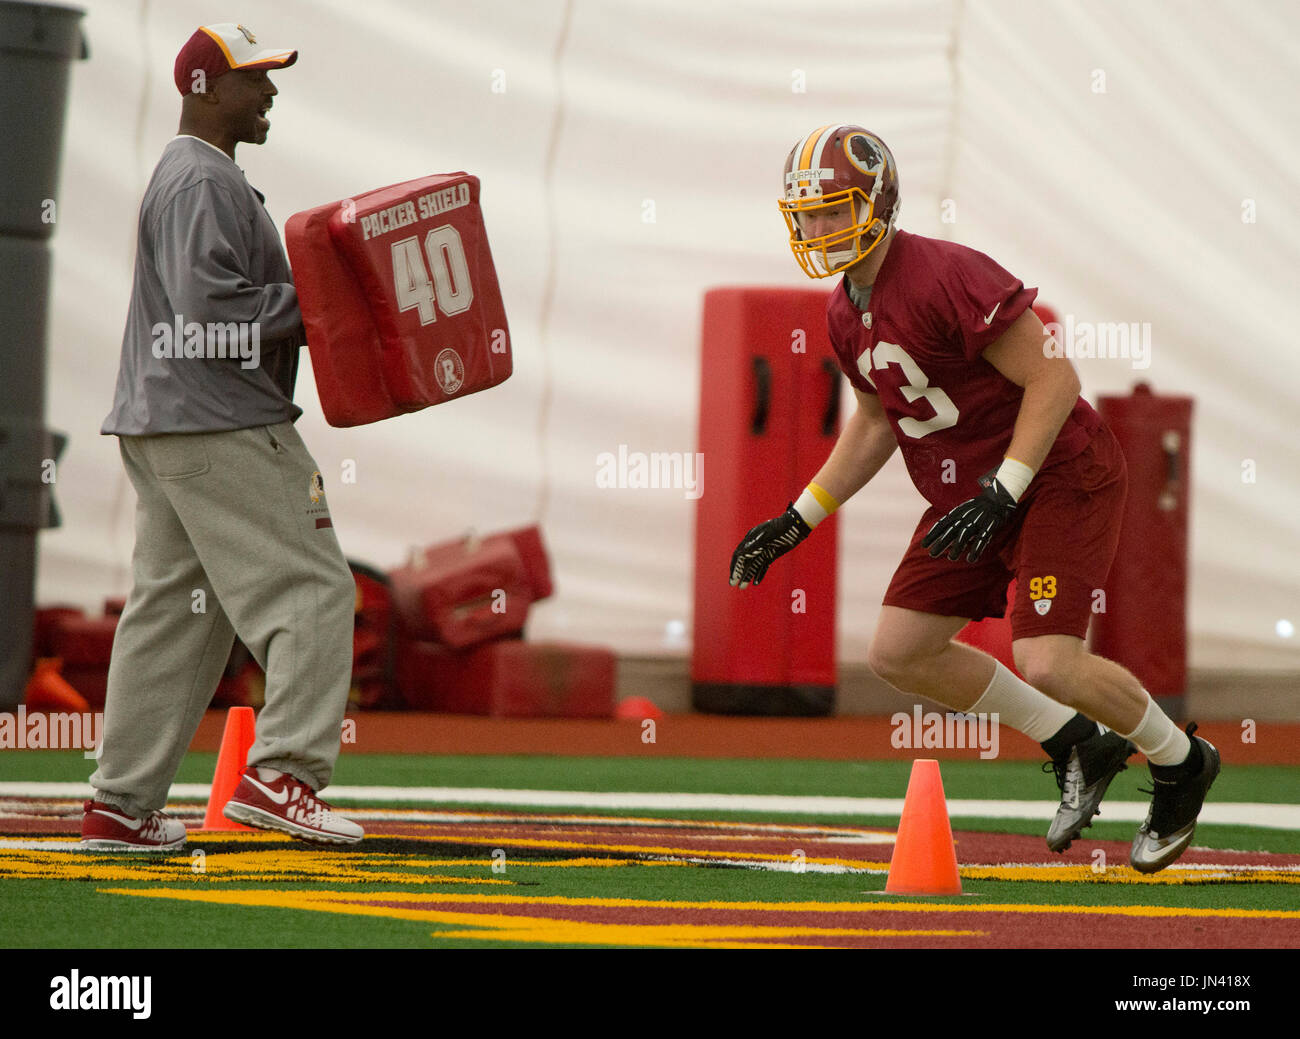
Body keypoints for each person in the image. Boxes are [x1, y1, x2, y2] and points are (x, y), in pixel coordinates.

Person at [729, 124, 1217, 873]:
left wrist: (1005, 487)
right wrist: (800, 517)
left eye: (834, 209)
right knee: (899, 649)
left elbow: (1056, 378)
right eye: (810, 214)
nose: (820, 228)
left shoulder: (944, 275)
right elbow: (873, 423)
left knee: (1048, 658)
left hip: (1054, 471)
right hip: (972, 490)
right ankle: (1075, 740)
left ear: (878, 202)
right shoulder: (841, 312)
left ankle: (1182, 761)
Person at [81, 23, 362, 850]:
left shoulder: (193, 176)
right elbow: (211, 319)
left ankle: (120, 803)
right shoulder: (203, 181)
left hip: (162, 422)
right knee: (313, 588)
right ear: (205, 87)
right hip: (220, 416)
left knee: (176, 612)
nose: (271, 92)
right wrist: (325, 309)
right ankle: (285, 774)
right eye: (255, 79)